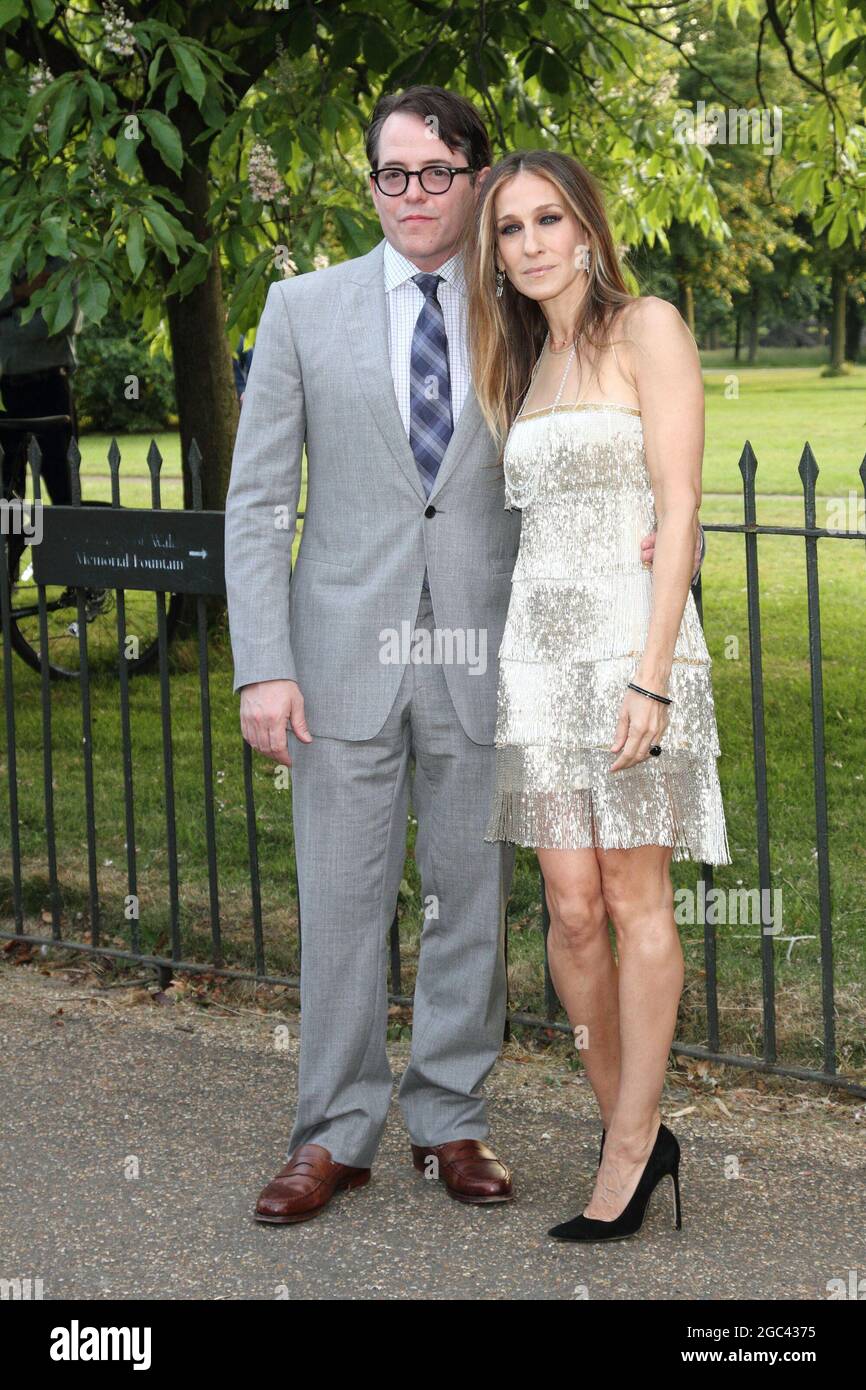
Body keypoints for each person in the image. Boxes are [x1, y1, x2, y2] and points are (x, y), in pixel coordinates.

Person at [224, 87, 704, 1226]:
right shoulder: (301, 307)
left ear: (477, 182)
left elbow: (616, 431)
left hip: (498, 659)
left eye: (437, 174)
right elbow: (254, 504)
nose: (412, 195)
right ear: (370, 184)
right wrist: (261, 661)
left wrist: (652, 527)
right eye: (392, 174)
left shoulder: (518, 314)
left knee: (470, 906)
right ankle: (331, 1134)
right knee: (340, 904)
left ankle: (448, 1117)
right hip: (337, 657)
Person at [468, 149, 730, 1243]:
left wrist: (651, 676)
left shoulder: (646, 328)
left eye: (547, 221)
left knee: (632, 902)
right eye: (509, 230)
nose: (529, 244)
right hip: (536, 660)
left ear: (586, 230)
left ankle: (624, 1155)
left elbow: (678, 508)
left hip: (632, 649)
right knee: (569, 911)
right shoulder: (517, 365)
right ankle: (632, 1121)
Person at [0, 256, 81, 504]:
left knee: (63, 485)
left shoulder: (63, 262)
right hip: (7, 391)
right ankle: (10, 543)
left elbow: (62, 322)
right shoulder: (6, 258)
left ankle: (68, 541)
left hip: (49, 387)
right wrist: (25, 291)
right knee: (7, 491)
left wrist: (9, 309)